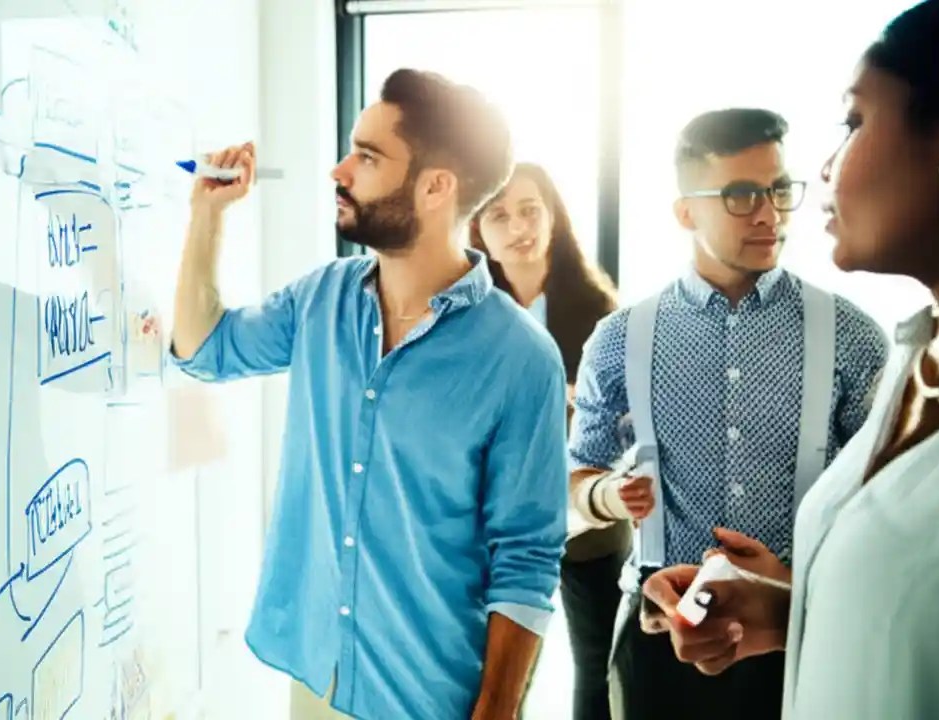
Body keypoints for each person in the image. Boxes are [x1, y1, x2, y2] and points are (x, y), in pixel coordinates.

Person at [642, 1, 939, 717]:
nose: (817, 174)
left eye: (853, 123)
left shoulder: (865, 345)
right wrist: (792, 607)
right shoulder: (915, 364)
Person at [169, 68, 569, 720]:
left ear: (436, 187)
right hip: (315, 670)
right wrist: (206, 215)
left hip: (431, 693)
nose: (339, 170)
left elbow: (526, 554)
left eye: (368, 156)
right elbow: (202, 349)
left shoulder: (521, 360)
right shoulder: (321, 299)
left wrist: (498, 706)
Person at [566, 107, 889, 719]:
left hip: (800, 635)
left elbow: (882, 499)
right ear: (686, 211)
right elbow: (576, 476)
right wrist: (609, 494)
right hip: (661, 637)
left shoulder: (852, 336)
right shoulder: (621, 338)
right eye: (741, 195)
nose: (769, 213)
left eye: (778, 190)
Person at [469, 162, 626, 720]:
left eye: (531, 209)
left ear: (554, 215)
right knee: (502, 675)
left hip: (587, 513)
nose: (518, 227)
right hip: (499, 520)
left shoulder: (601, 311)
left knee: (598, 662)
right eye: (500, 215)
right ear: (477, 231)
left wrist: (574, 397)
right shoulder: (469, 314)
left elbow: (627, 422)